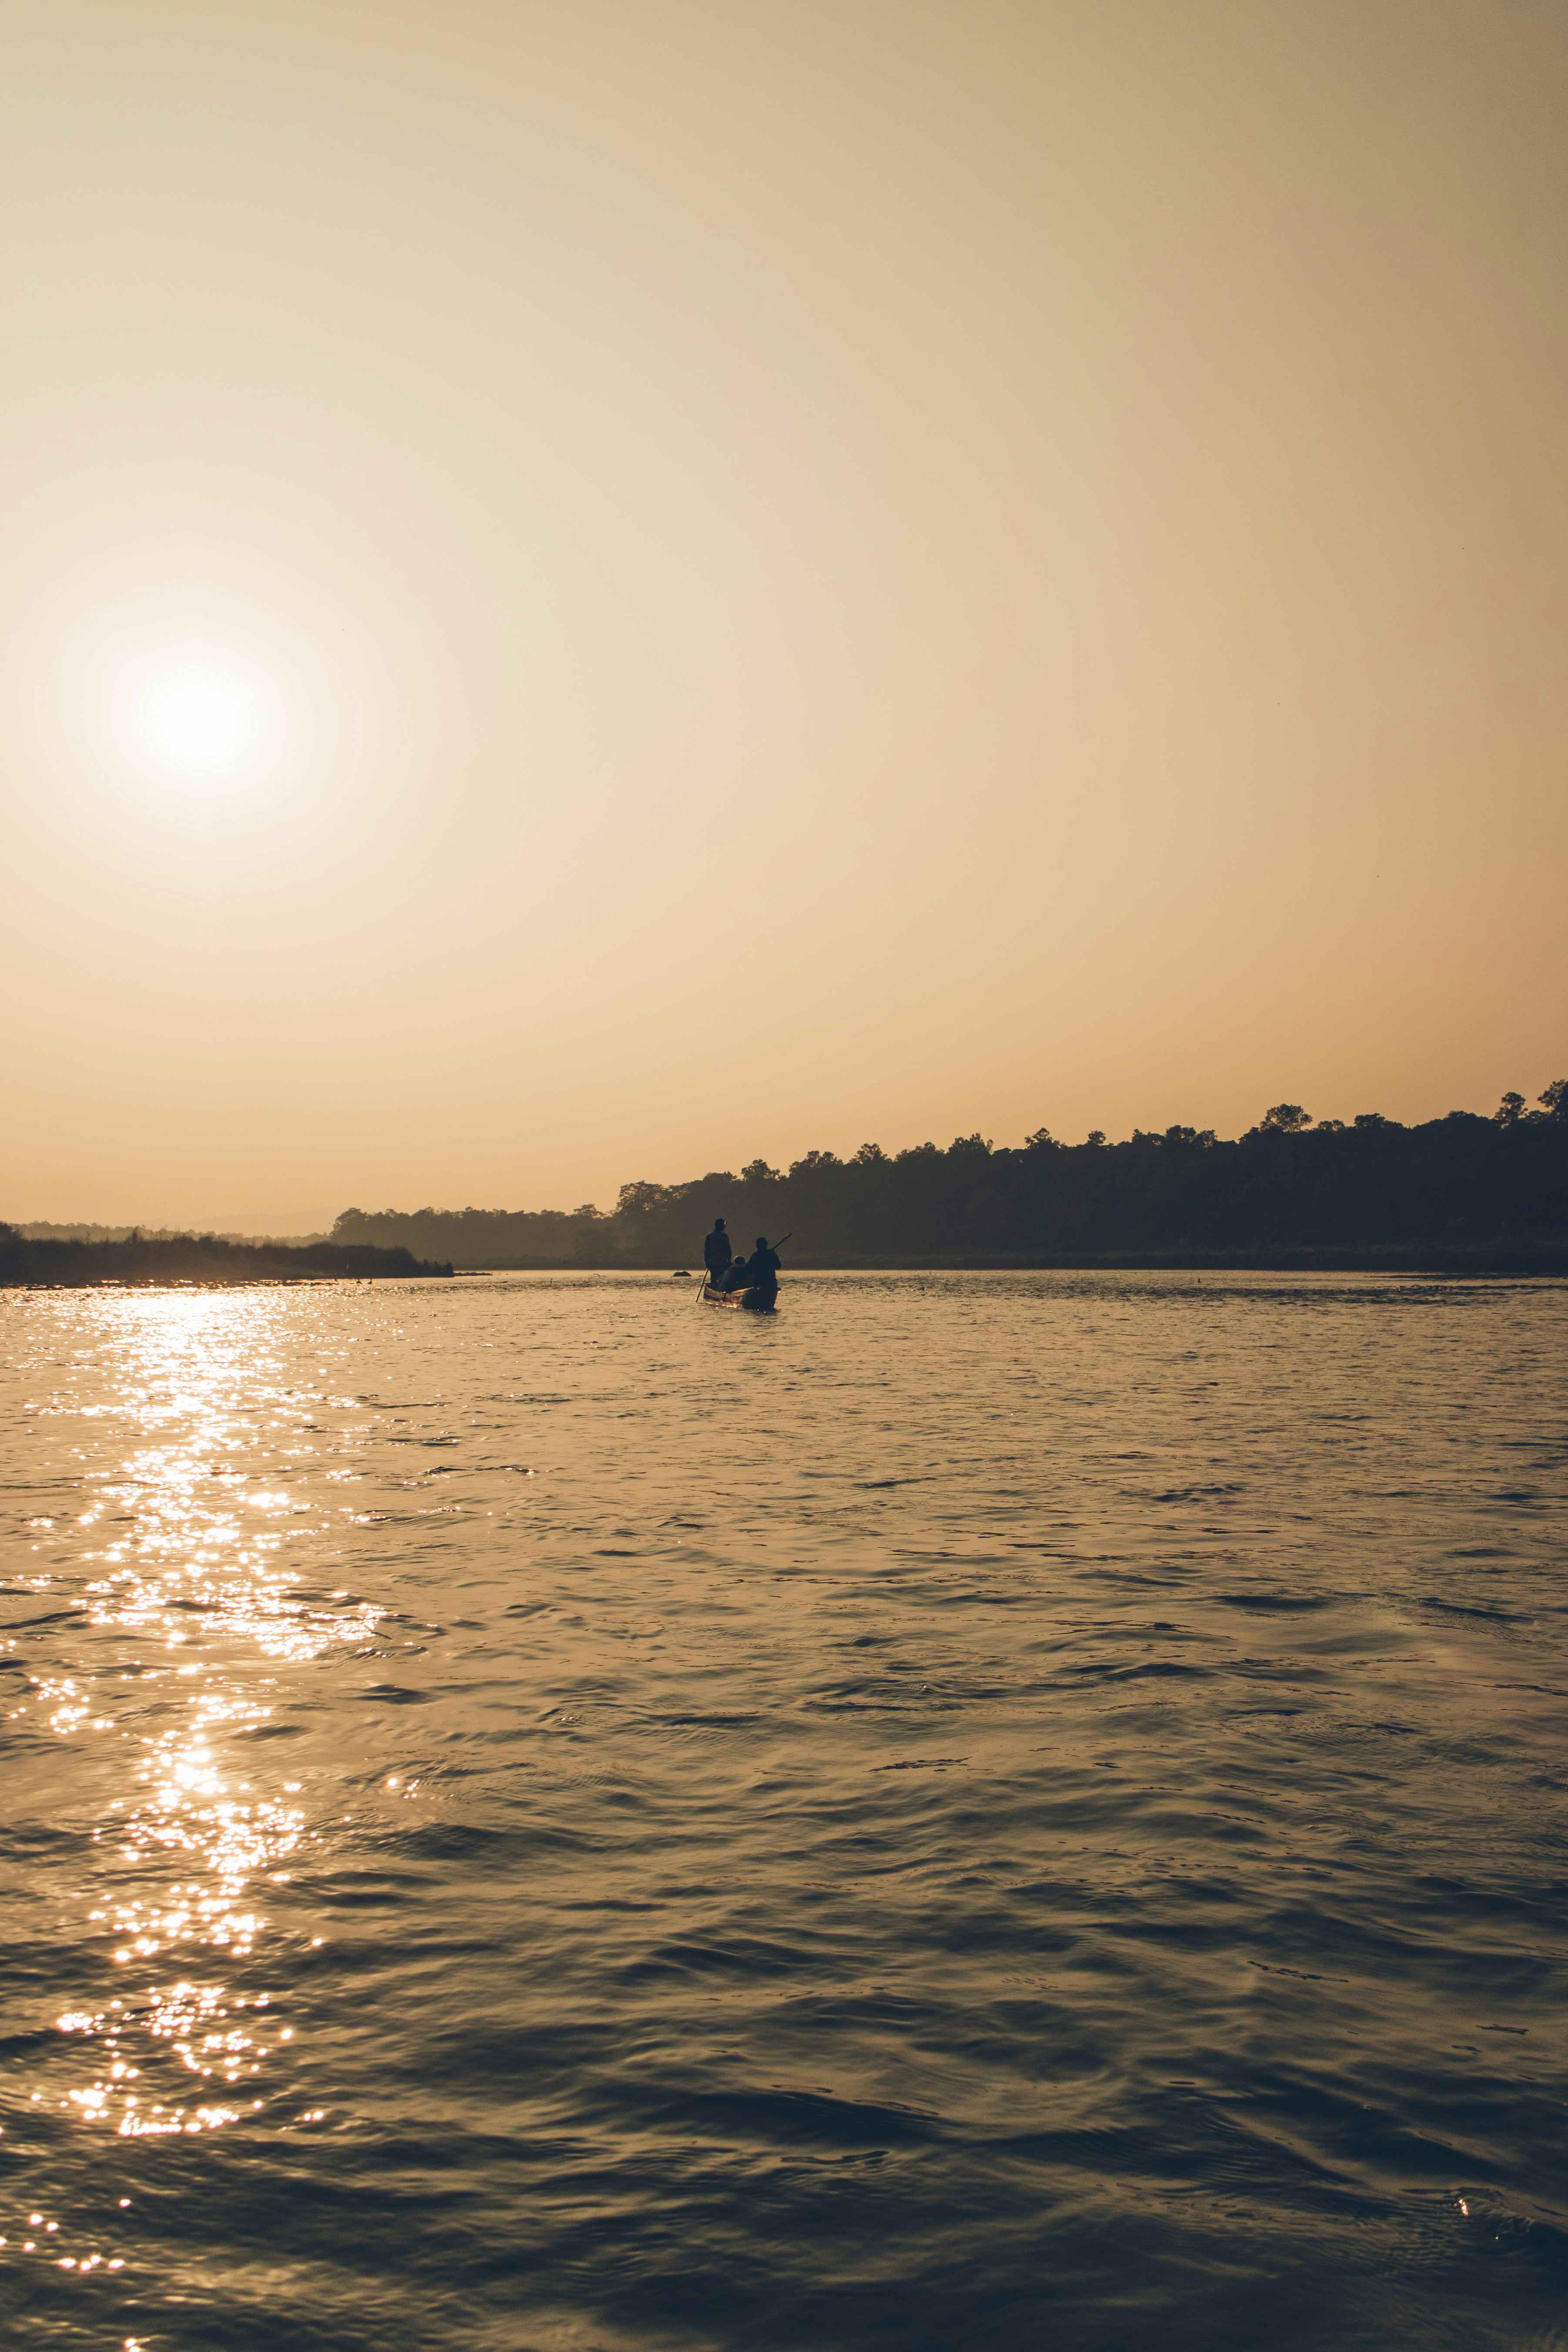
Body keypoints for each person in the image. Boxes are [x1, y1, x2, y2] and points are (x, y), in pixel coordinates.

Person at [742, 1234, 781, 1301]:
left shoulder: (755, 1255)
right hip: (771, 1283)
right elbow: (778, 1266)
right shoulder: (772, 1254)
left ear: (757, 1246)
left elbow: (748, 1268)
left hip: (759, 1282)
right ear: (766, 1245)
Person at [702, 1218, 732, 1285]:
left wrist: (707, 1262)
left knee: (713, 1279)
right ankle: (720, 1290)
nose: (724, 1227)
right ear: (720, 1226)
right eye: (723, 1225)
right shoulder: (724, 1236)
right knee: (721, 1278)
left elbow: (707, 1251)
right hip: (722, 1262)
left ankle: (714, 1288)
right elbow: (728, 1250)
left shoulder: (709, 1236)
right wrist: (729, 1261)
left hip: (712, 1262)